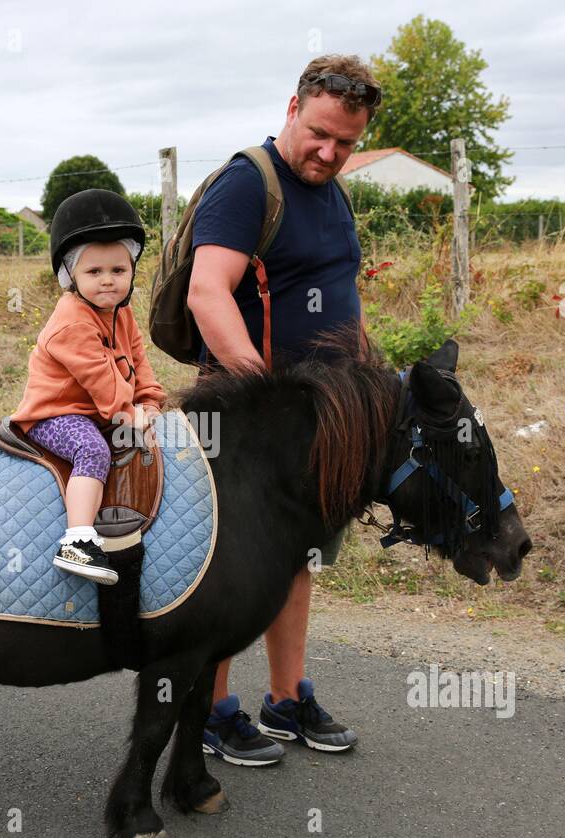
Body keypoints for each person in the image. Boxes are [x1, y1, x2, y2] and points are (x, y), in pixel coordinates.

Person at [187, 54, 381, 764]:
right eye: (321, 134)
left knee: (295, 560)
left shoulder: (334, 191)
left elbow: (339, 291)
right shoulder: (249, 183)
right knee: (226, 567)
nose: (329, 153)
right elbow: (208, 294)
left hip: (320, 422)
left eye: (346, 143)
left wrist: (365, 383)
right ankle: (209, 712)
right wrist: (262, 393)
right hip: (246, 420)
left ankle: (286, 700)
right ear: (293, 108)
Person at [11, 190, 166, 584]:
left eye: (118, 270)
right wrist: (129, 414)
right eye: (94, 272)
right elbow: (102, 382)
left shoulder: (122, 311)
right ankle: (77, 540)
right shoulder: (73, 322)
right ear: (71, 276)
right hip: (55, 414)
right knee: (91, 448)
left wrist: (149, 400)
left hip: (99, 411)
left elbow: (137, 359)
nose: (108, 282)